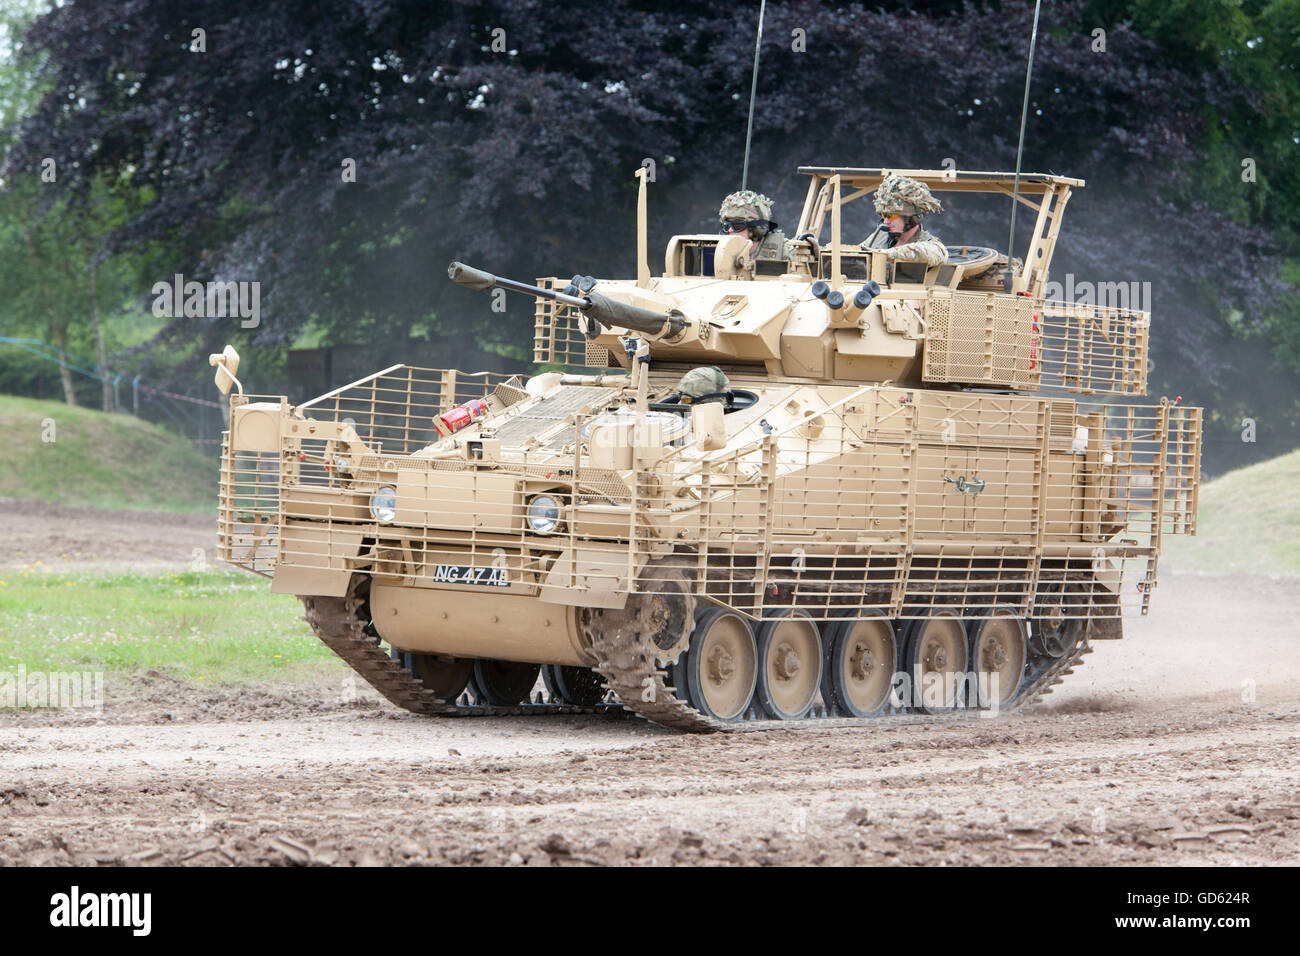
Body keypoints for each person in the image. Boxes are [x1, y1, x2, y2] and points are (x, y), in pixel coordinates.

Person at [861, 173, 947, 267]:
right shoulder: (879, 238)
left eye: (892, 216)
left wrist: (884, 254)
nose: (885, 222)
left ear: (912, 218)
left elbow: (935, 253)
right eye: (883, 215)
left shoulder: (929, 245)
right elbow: (855, 252)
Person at [718, 190, 791, 261]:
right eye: (726, 226)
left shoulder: (786, 254)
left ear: (757, 230)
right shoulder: (720, 254)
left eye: (737, 225)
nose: (730, 230)